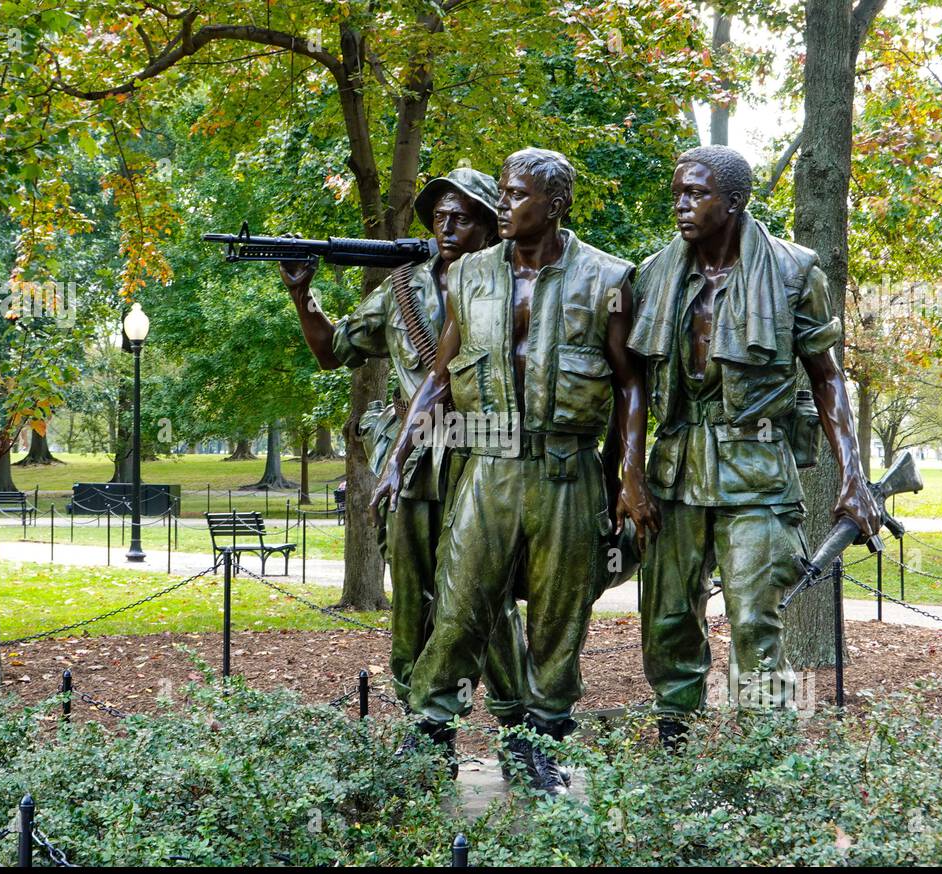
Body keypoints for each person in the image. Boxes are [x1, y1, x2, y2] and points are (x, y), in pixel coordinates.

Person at [374, 147, 659, 796]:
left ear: (556, 205)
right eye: (501, 194)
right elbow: (439, 381)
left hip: (567, 472)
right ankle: (429, 739)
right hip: (488, 468)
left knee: (558, 624)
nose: (502, 206)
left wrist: (629, 478)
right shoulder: (470, 275)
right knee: (459, 610)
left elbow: (630, 388)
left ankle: (536, 749)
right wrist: (398, 462)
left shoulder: (609, 277)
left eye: (516, 196)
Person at [628, 146, 881, 746]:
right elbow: (631, 382)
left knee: (752, 621)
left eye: (697, 194)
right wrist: (630, 474)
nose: (682, 205)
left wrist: (853, 475)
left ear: (735, 202)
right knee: (666, 619)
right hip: (677, 467)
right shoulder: (654, 275)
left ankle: (765, 759)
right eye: (678, 194)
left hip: (758, 471)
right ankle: (676, 746)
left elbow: (828, 376)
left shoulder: (795, 272)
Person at [279, 166, 531, 735]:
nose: (446, 227)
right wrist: (302, 293)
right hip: (414, 461)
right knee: (412, 597)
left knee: (484, 593)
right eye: (438, 217)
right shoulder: (401, 289)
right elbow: (331, 351)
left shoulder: (515, 285)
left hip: (483, 454)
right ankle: (426, 728)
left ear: (491, 226)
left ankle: (520, 731)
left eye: (461, 217)